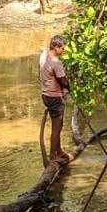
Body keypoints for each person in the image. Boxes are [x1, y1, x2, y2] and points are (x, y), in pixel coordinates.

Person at [39, 34, 72, 164]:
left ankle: (58, 150)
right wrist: (68, 88)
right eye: (62, 48)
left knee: (59, 124)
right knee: (57, 127)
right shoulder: (56, 62)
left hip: (45, 95)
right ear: (57, 47)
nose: (63, 51)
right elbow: (63, 81)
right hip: (54, 98)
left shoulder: (43, 55)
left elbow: (48, 76)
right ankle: (53, 156)